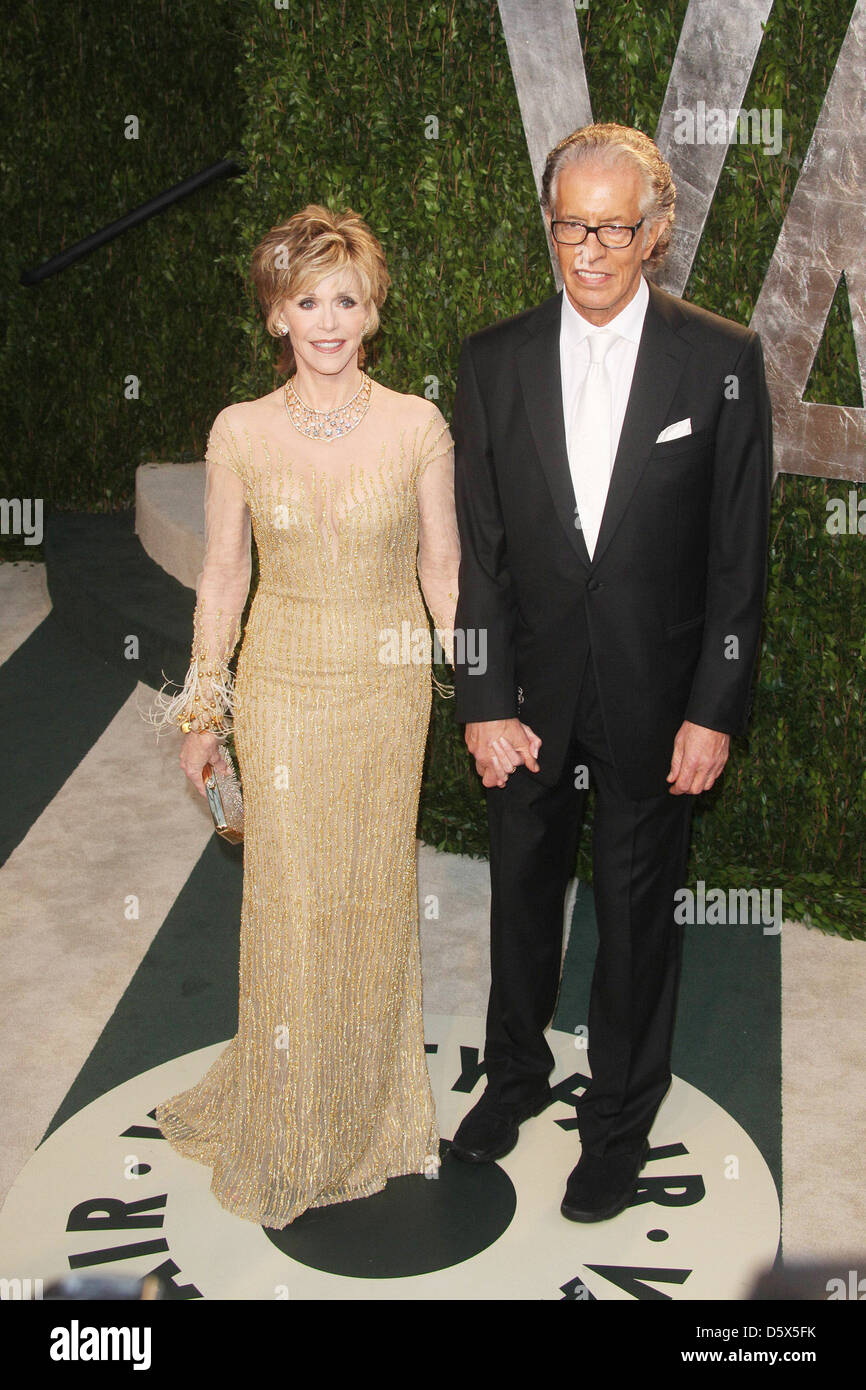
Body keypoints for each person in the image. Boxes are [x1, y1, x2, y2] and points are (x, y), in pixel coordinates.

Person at [448, 124, 772, 1222]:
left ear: (656, 231)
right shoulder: (490, 361)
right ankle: (514, 1076)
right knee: (517, 900)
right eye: (567, 225)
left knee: (637, 919)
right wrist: (482, 699)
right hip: (528, 700)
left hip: (653, 700)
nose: (587, 249)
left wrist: (711, 711)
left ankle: (617, 1123)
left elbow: (737, 562)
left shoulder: (718, 360)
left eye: (612, 227)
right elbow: (479, 557)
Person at [145, 205, 460, 1227]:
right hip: (280, 688)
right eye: (307, 299)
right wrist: (205, 707)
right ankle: (284, 1120)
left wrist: (489, 695)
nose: (329, 318)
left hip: (385, 689)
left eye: (348, 298)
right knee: (287, 899)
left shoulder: (419, 423)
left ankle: (371, 1115)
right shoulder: (239, 430)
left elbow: (442, 571)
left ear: (371, 312)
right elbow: (224, 574)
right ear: (275, 314)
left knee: (369, 898)